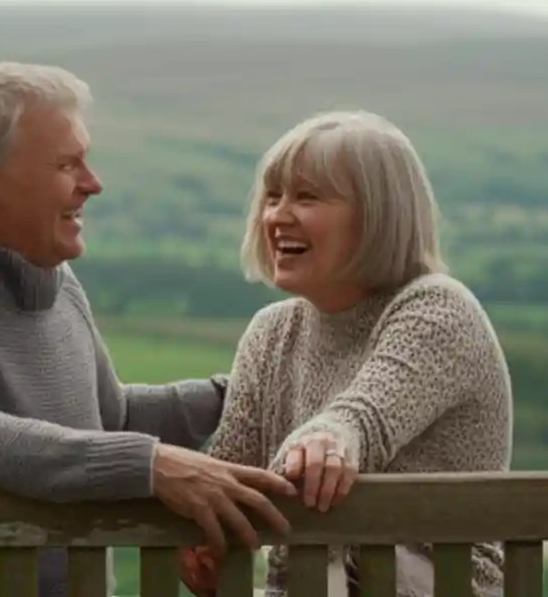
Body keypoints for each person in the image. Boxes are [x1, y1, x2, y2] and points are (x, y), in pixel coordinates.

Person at [0, 62, 295, 597]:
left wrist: (251, 392)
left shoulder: (58, 283)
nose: (92, 184)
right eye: (66, 165)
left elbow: (109, 418)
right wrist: (149, 465)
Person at [180, 111, 513, 597]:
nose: (277, 216)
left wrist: (328, 439)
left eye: (307, 197)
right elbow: (232, 475)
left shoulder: (438, 309)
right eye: (272, 197)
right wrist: (208, 540)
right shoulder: (271, 331)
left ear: (379, 216)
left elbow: (365, 416)